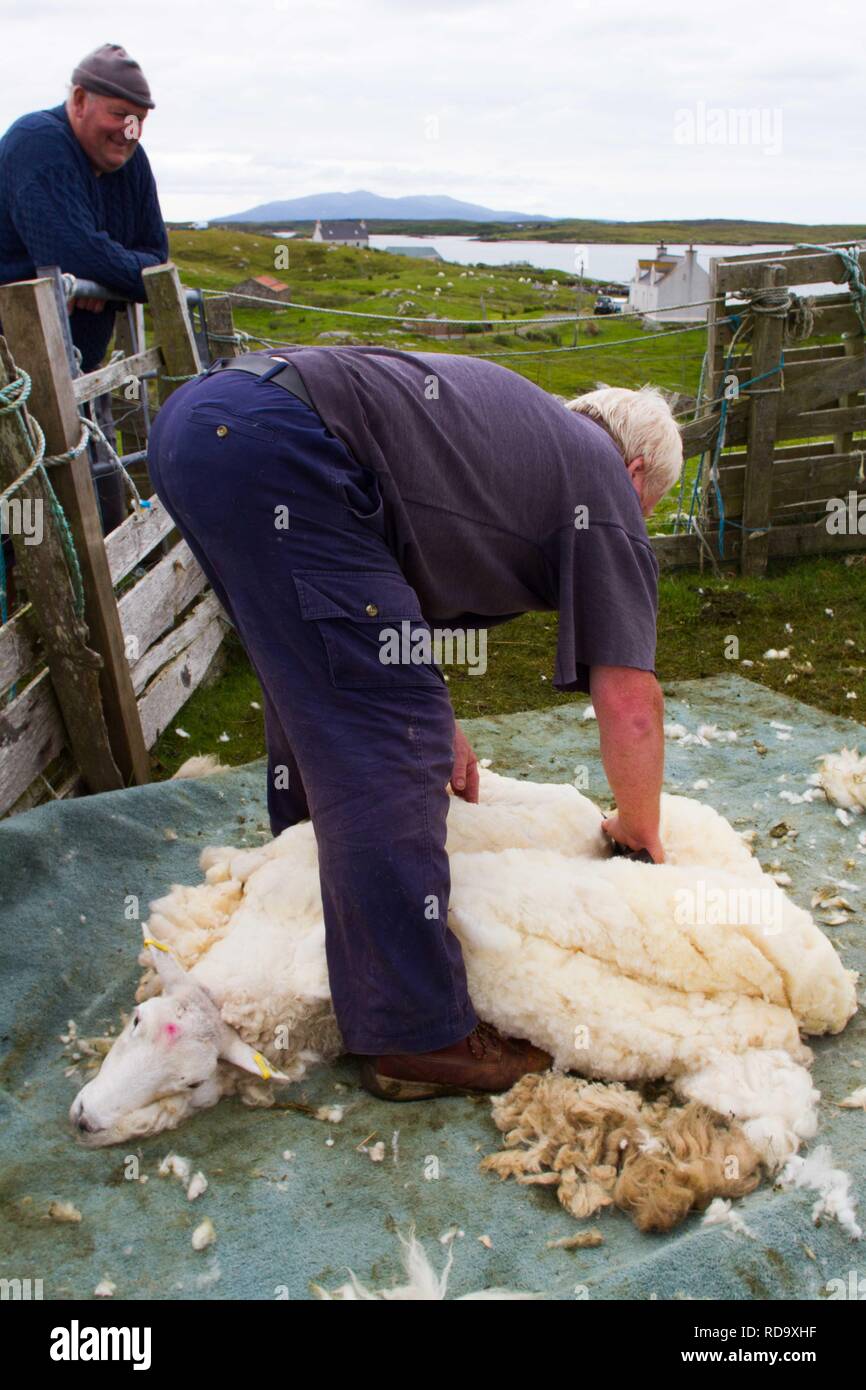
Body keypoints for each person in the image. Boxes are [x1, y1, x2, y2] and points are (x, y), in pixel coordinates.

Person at [146, 345, 682, 1100]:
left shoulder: (518, 440)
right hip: (278, 442)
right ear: (636, 477)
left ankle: (299, 907)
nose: (638, 525)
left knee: (319, 677)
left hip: (201, 426)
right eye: (647, 510)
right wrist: (637, 828)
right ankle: (417, 1033)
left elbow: (381, 585)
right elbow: (631, 702)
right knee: (385, 736)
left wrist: (440, 715)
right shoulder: (600, 478)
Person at [0, 42, 168, 534]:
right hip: (13, 381)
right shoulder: (38, 142)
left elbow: (157, 262)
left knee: (101, 514)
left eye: (139, 119)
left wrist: (100, 279)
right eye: (119, 114)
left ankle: (105, 605)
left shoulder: (130, 161)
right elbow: (71, 252)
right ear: (79, 100)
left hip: (81, 379)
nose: (129, 130)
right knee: (25, 524)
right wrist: (104, 273)